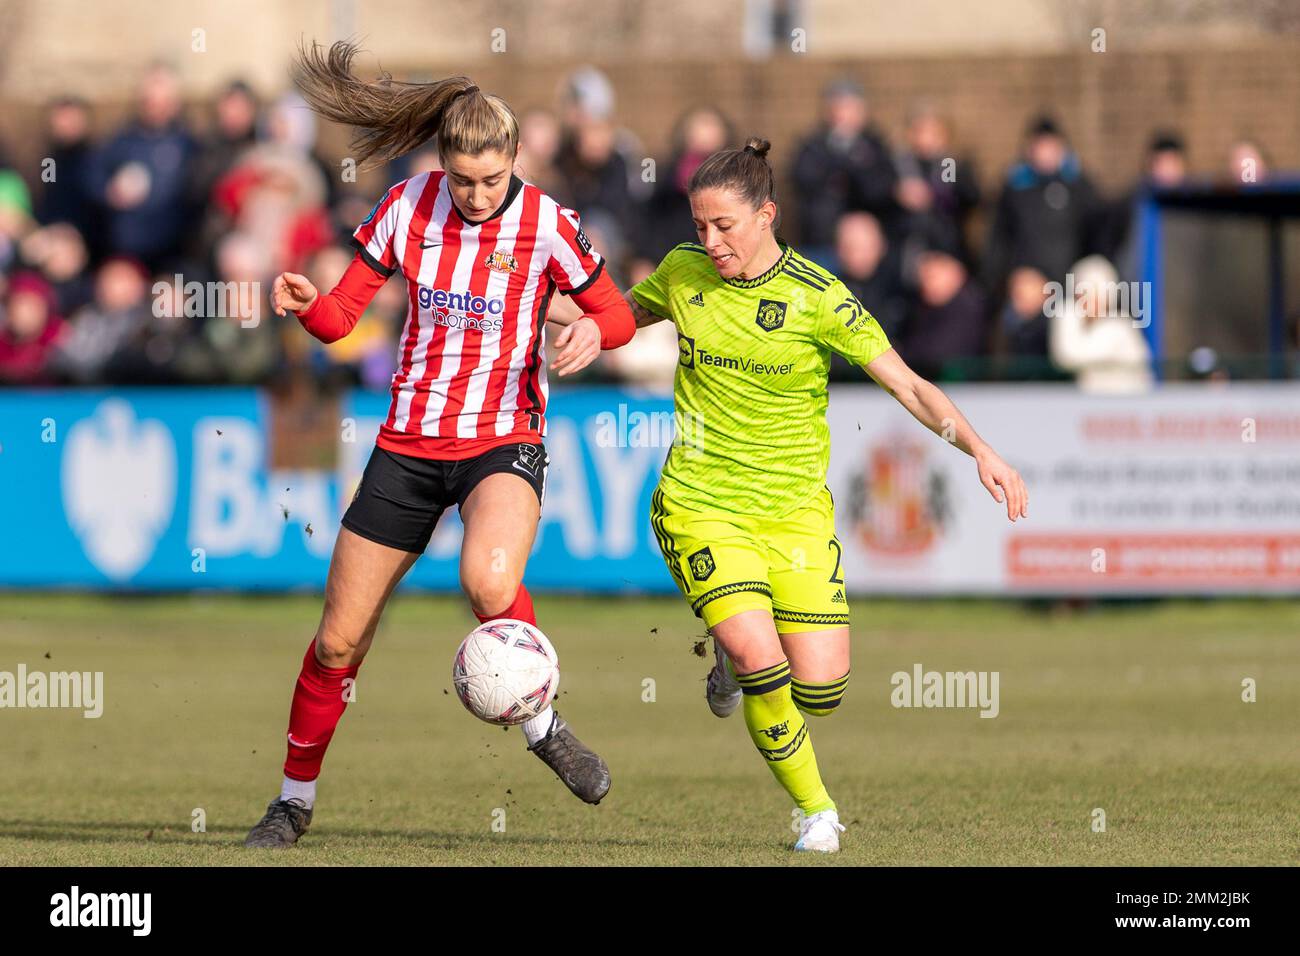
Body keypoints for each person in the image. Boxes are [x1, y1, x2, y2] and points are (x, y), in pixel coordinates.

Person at [242, 41, 635, 848]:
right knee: (337, 639)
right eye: (463, 179)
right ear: (442, 164)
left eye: (492, 179)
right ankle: (292, 800)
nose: (478, 194)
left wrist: (595, 329)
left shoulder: (550, 225)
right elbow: (343, 316)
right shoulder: (406, 206)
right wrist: (311, 305)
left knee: (487, 580)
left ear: (516, 161)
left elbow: (620, 312)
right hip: (408, 445)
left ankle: (544, 727)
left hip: (504, 437)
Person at [625, 138, 1027, 853]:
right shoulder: (683, 274)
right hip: (701, 502)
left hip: (794, 515)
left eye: (722, 225)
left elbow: (907, 385)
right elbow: (619, 317)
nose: (708, 241)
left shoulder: (819, 297)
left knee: (820, 690)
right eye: (698, 227)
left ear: (767, 215)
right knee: (762, 662)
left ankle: (728, 658)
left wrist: (981, 450)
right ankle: (817, 811)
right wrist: (558, 325)